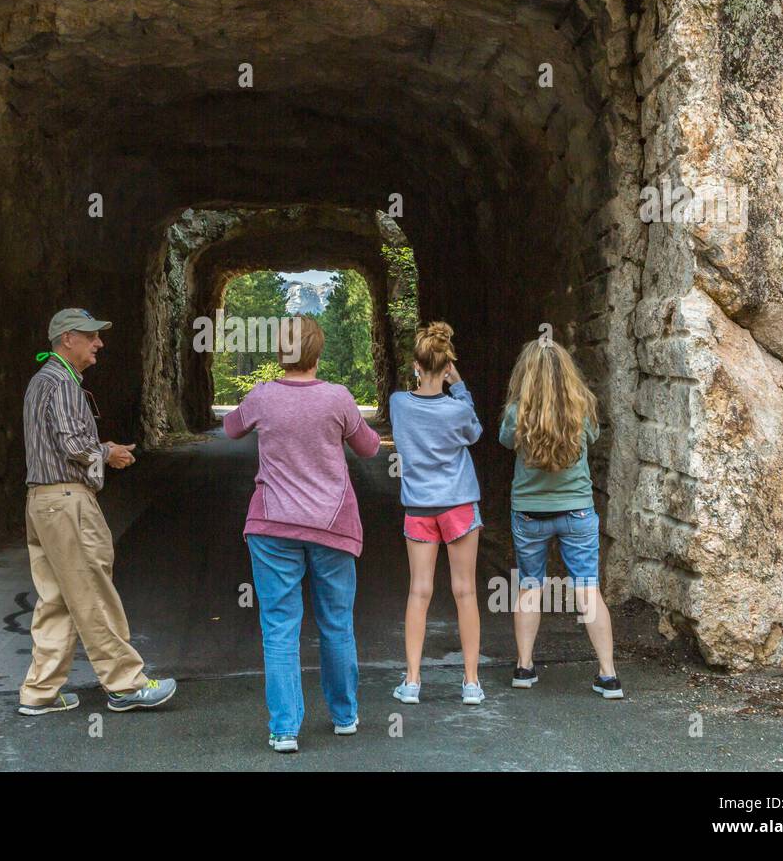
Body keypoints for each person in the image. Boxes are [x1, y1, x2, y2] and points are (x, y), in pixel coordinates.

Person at [223, 315, 381, 753]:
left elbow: (231, 427)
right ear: (317, 352)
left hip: (272, 525)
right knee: (336, 622)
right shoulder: (338, 398)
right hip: (331, 524)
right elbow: (368, 448)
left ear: (280, 352)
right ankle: (345, 715)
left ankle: (285, 728)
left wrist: (255, 402)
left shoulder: (263, 396)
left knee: (279, 625)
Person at [17, 308, 177, 715]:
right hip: (68, 501)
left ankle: (40, 692)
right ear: (67, 339)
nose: (99, 344)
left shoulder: (40, 381)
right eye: (91, 337)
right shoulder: (64, 384)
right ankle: (125, 684)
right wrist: (109, 452)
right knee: (92, 592)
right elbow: (74, 446)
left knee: (55, 597)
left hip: (40, 501)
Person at [498, 337, 622, 699]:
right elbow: (594, 437)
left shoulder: (517, 412)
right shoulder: (580, 408)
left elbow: (506, 441)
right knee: (587, 588)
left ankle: (524, 667)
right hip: (577, 510)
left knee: (529, 588)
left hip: (530, 512)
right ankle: (608, 674)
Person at [388, 322, 486, 705]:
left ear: (416, 365)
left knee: (419, 591)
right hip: (459, 504)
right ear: (447, 367)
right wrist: (459, 385)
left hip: (419, 507)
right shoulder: (457, 409)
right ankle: (472, 683)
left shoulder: (398, 404)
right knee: (465, 592)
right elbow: (475, 433)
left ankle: (412, 681)